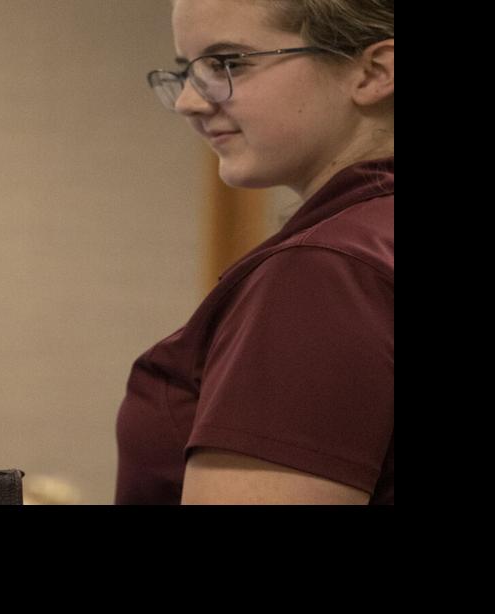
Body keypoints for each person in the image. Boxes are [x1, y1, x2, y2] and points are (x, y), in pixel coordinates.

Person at [117, 0, 393, 504]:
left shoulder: (325, 274)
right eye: (186, 69)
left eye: (228, 63)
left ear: (374, 72)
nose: (188, 102)